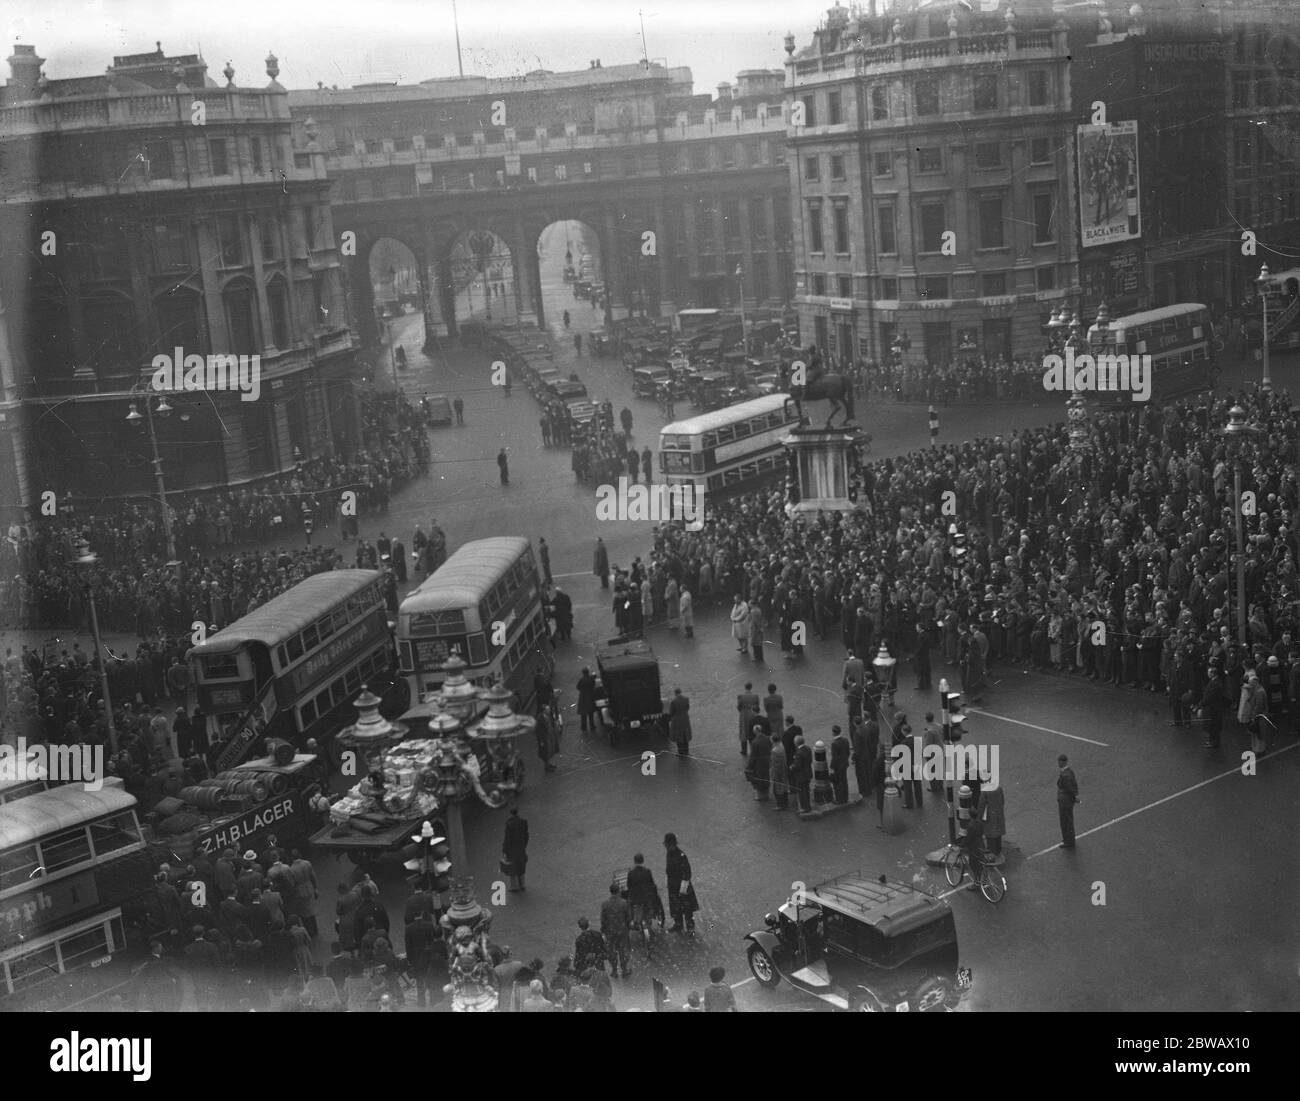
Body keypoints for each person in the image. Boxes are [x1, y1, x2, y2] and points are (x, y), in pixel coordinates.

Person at [663, 833, 699, 934]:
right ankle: (678, 925)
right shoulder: (669, 853)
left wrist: (682, 890)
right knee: (676, 907)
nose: (666, 847)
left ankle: (690, 928)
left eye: (667, 845)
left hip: (683, 888)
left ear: (672, 844)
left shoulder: (681, 856)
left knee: (687, 908)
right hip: (673, 886)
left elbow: (687, 874)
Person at [600, 882, 632, 979]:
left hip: (610, 931)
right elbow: (628, 917)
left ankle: (614, 970)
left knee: (611, 951)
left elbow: (603, 919)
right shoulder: (624, 903)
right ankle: (624, 969)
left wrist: (604, 929)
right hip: (622, 931)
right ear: (618, 891)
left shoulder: (605, 904)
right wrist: (627, 927)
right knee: (623, 950)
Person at [977, 774, 1005, 856]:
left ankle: (992, 850)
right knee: (998, 831)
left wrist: (979, 817)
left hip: (989, 814)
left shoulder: (985, 790)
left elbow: (981, 805)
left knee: (989, 832)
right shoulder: (999, 787)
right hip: (998, 813)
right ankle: (998, 849)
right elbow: (1002, 800)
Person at [503, 807, 529, 891]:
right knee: (521, 866)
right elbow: (526, 835)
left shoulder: (509, 823)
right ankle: (522, 884)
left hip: (512, 849)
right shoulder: (523, 821)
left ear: (511, 813)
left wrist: (504, 850)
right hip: (521, 847)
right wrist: (524, 845)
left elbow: (507, 838)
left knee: (512, 867)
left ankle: (514, 886)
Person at [1057, 754, 1079, 850]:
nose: (1059, 763)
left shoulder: (1065, 775)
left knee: (1066, 821)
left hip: (1065, 801)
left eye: (1060, 762)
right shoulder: (1068, 772)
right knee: (1067, 820)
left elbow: (1069, 788)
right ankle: (1068, 839)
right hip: (1066, 800)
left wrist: (1074, 797)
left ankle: (1068, 841)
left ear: (1064, 762)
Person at [746, 723, 772, 801]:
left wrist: (749, 766)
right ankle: (767, 794)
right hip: (767, 761)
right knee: (766, 777)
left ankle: (760, 796)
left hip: (758, 764)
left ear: (755, 731)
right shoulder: (767, 738)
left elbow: (753, 756)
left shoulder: (754, 742)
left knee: (759, 779)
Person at [790, 734, 813, 813]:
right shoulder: (808, 749)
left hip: (801, 776)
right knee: (806, 790)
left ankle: (805, 808)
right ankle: (808, 806)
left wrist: (791, 767)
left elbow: (797, 766)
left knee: (802, 792)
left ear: (796, 743)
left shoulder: (798, 753)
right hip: (808, 773)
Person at [829, 724, 851, 804]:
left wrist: (832, 767)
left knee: (838, 783)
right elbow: (848, 752)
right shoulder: (845, 740)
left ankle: (839, 799)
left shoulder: (834, 744)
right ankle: (845, 797)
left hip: (838, 766)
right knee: (844, 781)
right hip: (844, 764)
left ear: (834, 733)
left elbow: (834, 757)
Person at [736, 682, 759, 756]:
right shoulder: (755, 696)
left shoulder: (741, 696)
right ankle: (753, 749)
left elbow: (739, 707)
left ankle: (744, 750)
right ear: (751, 687)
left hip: (744, 715)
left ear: (745, 687)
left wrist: (742, 711)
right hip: (752, 714)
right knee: (752, 731)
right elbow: (757, 706)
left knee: (743, 731)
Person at [668, 687, 692, 757]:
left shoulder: (674, 701)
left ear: (675, 693)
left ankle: (681, 752)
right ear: (680, 692)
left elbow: (671, 712)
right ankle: (686, 751)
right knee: (685, 735)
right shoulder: (686, 699)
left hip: (677, 720)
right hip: (685, 719)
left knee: (678, 736)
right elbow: (687, 708)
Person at [769, 731, 790, 810]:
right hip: (784, 770)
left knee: (777, 790)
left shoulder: (774, 751)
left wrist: (774, 774)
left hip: (778, 773)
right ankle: (785, 803)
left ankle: (780, 805)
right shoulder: (781, 745)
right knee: (784, 788)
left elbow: (775, 765)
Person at [576, 667, 599, 734]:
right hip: (590, 697)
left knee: (583, 714)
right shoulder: (591, 679)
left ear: (583, 673)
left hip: (583, 698)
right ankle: (592, 726)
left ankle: (584, 727)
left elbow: (578, 687)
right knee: (590, 713)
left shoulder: (581, 680)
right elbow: (593, 685)